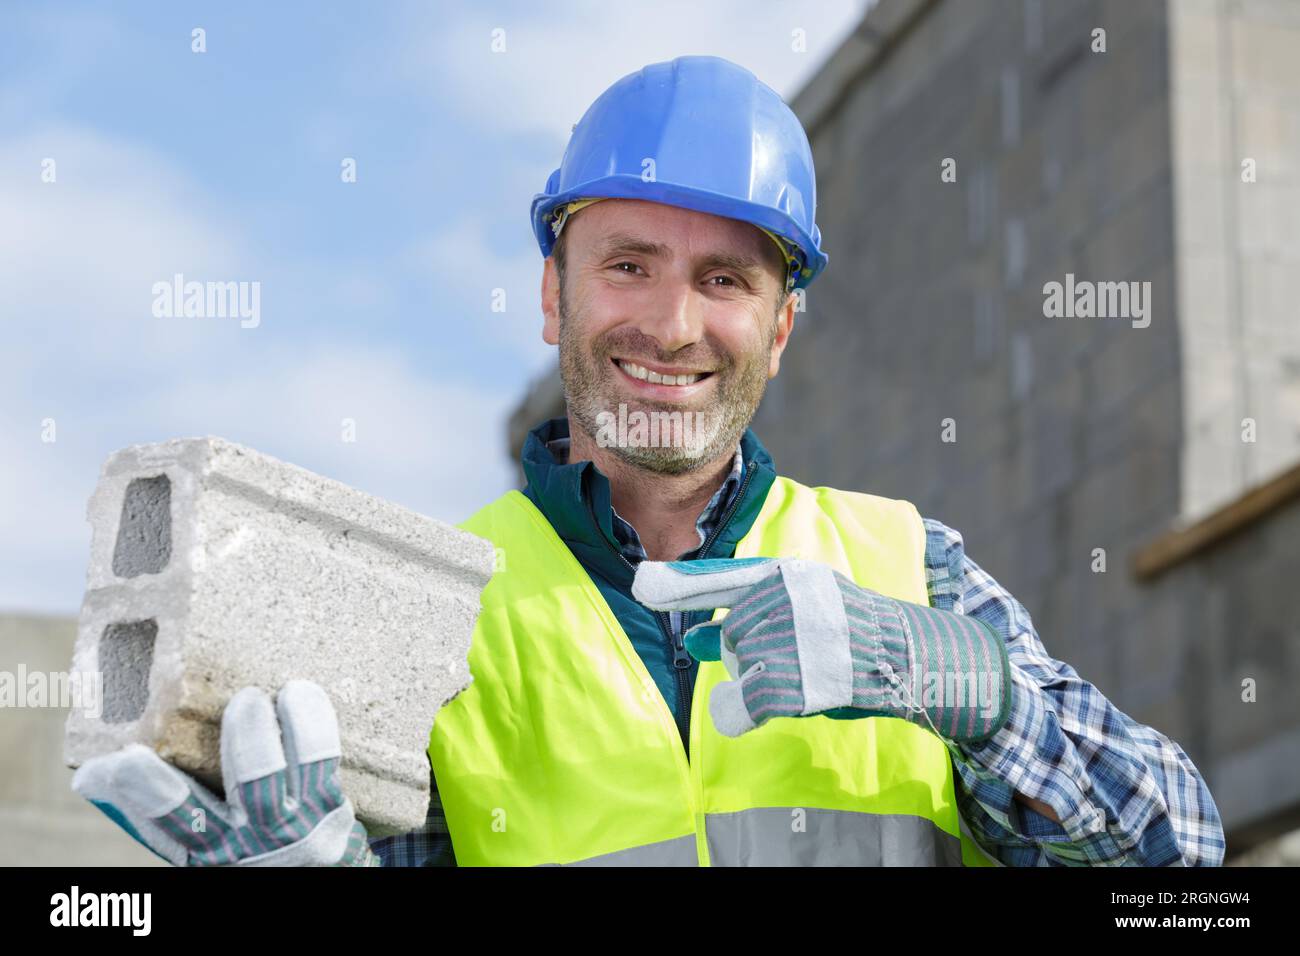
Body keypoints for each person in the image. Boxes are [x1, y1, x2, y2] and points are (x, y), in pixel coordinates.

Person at [75, 55, 1225, 868]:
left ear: (778, 328)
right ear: (551, 296)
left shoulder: (907, 568)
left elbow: (1182, 856)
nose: (672, 325)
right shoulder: (432, 617)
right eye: (629, 264)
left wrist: (986, 694)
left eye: (724, 279)